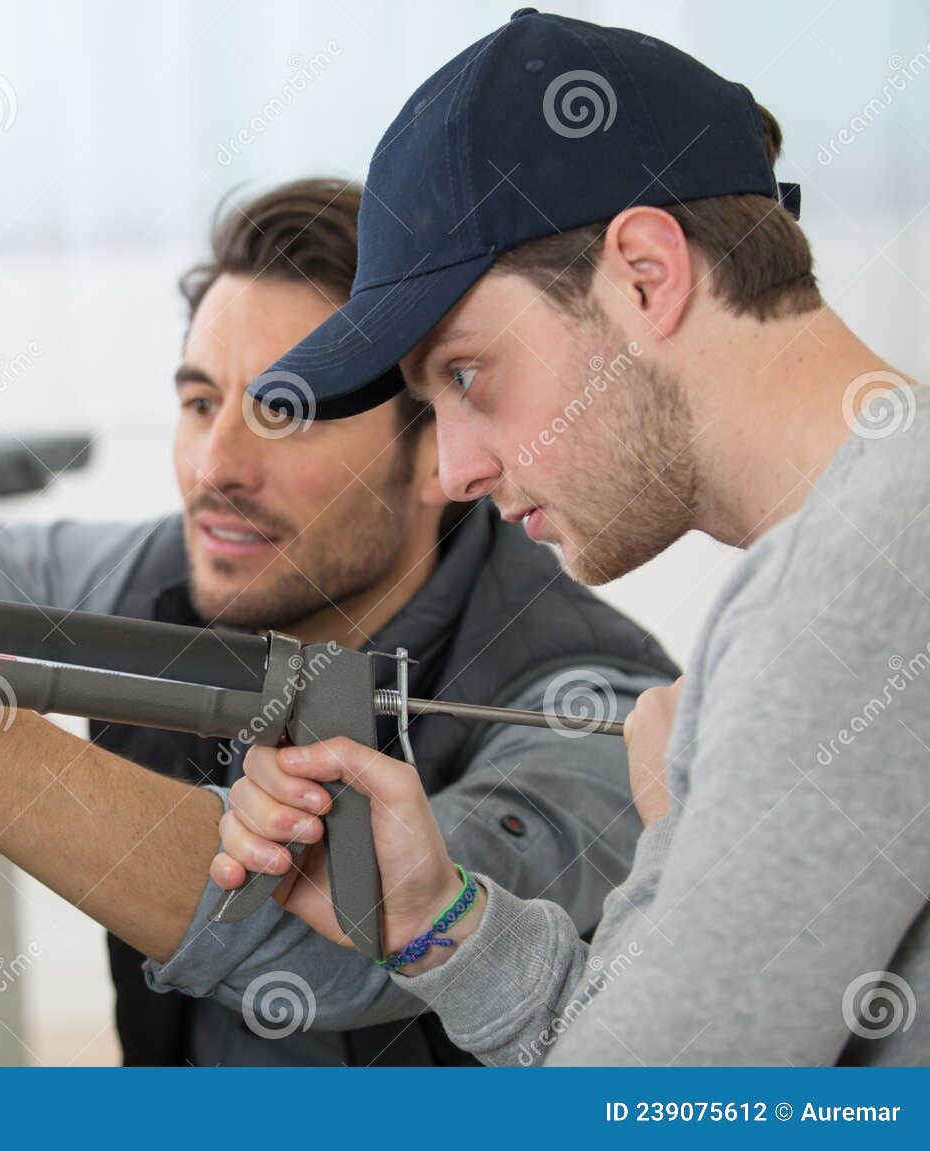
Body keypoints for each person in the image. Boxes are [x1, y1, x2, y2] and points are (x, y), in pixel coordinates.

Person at [0, 178, 676, 1066]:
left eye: (288, 410)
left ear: (438, 450)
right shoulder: (172, 575)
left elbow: (352, 950)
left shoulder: (591, 709)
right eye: (199, 401)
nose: (216, 468)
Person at [209, 10, 930, 1064]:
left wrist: (677, 833)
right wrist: (434, 918)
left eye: (466, 374)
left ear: (644, 273)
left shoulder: (848, 586)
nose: (454, 469)